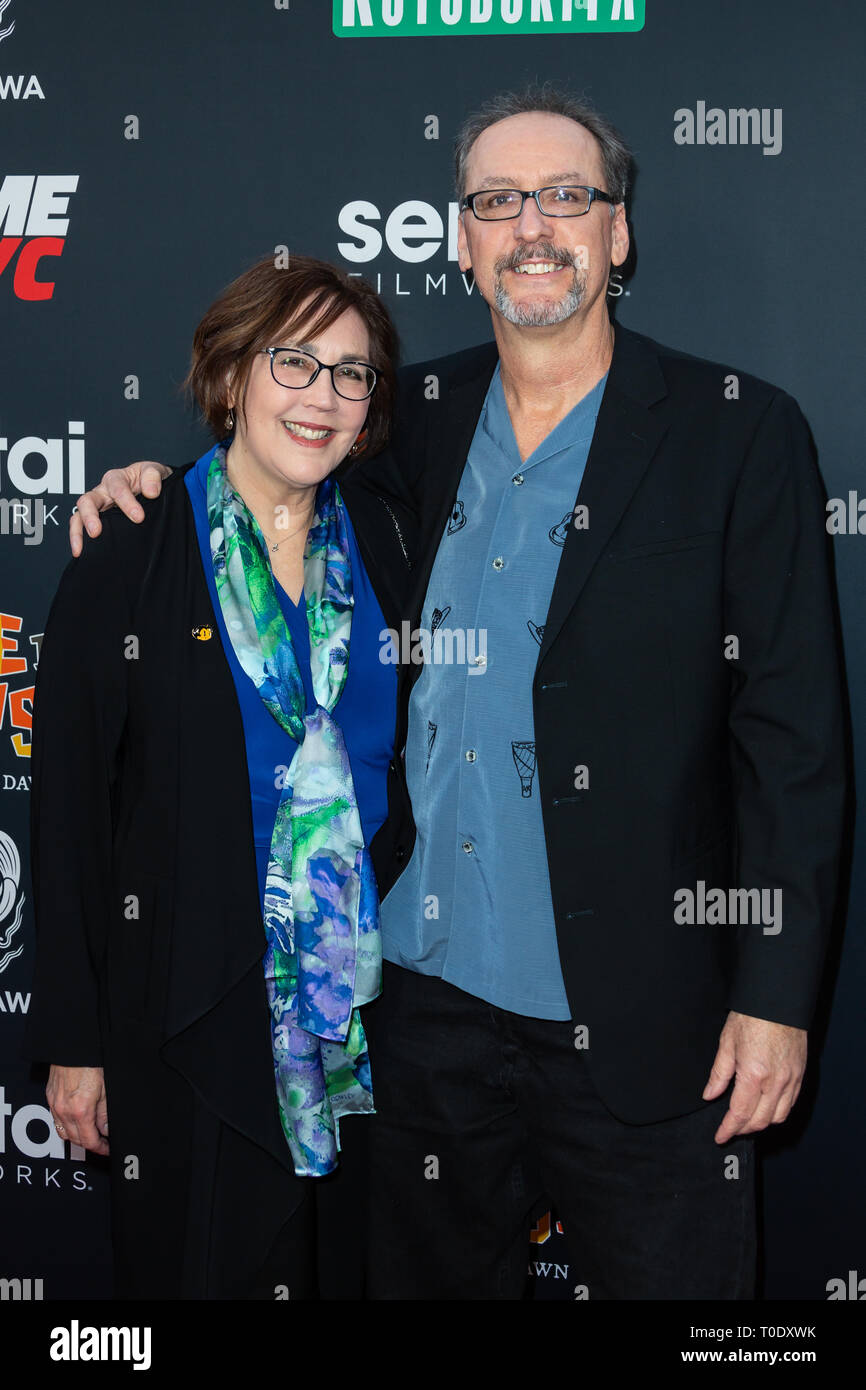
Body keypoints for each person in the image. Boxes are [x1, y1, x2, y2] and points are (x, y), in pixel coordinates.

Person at [70, 83, 848, 1301]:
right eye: (497, 201)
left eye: (564, 196)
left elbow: (792, 738)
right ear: (463, 239)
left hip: (648, 1028)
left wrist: (775, 998)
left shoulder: (735, 432)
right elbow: (274, 476)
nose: (531, 225)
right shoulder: (408, 421)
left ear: (617, 230)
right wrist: (147, 498)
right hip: (418, 1017)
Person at [23, 253, 414, 1299]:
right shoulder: (131, 551)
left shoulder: (385, 537)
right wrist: (72, 1043)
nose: (321, 395)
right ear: (232, 374)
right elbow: (66, 819)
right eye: (293, 362)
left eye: (350, 373)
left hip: (359, 1012)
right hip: (187, 1007)